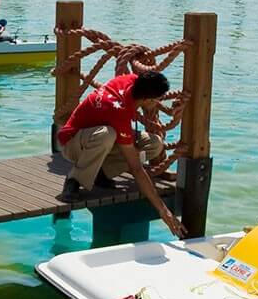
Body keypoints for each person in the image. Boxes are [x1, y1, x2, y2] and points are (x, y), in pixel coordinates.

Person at [56, 68, 187, 238]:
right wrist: (163, 210)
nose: (159, 103)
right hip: (73, 143)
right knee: (107, 134)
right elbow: (136, 168)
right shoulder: (119, 111)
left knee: (154, 144)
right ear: (147, 99)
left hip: (102, 137)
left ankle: (101, 173)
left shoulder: (132, 81)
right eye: (158, 100)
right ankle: (74, 180)